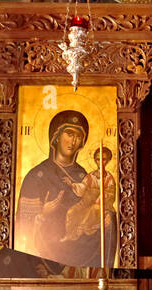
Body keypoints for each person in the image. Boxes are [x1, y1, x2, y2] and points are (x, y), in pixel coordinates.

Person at [16, 110, 100, 268]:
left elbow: (92, 211)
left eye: (78, 136)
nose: (73, 141)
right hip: (44, 253)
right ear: (56, 137)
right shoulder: (36, 176)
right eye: (69, 134)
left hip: (80, 251)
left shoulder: (85, 176)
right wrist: (43, 213)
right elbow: (23, 228)